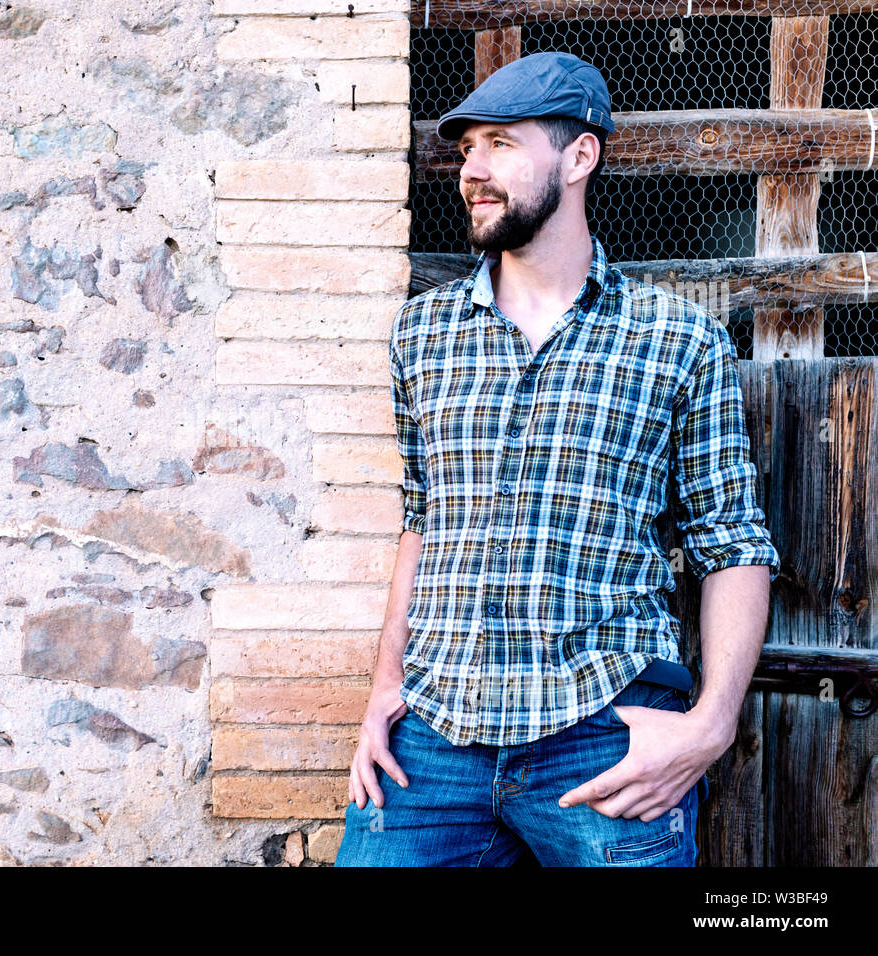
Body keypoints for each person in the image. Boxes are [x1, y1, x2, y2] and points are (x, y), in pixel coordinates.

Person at [334, 51, 780, 867]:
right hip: (429, 743)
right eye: (468, 149)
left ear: (580, 157)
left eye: (501, 144)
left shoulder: (677, 340)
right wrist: (381, 691)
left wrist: (710, 729)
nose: (473, 170)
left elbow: (733, 541)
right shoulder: (422, 335)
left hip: (602, 738)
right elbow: (423, 518)